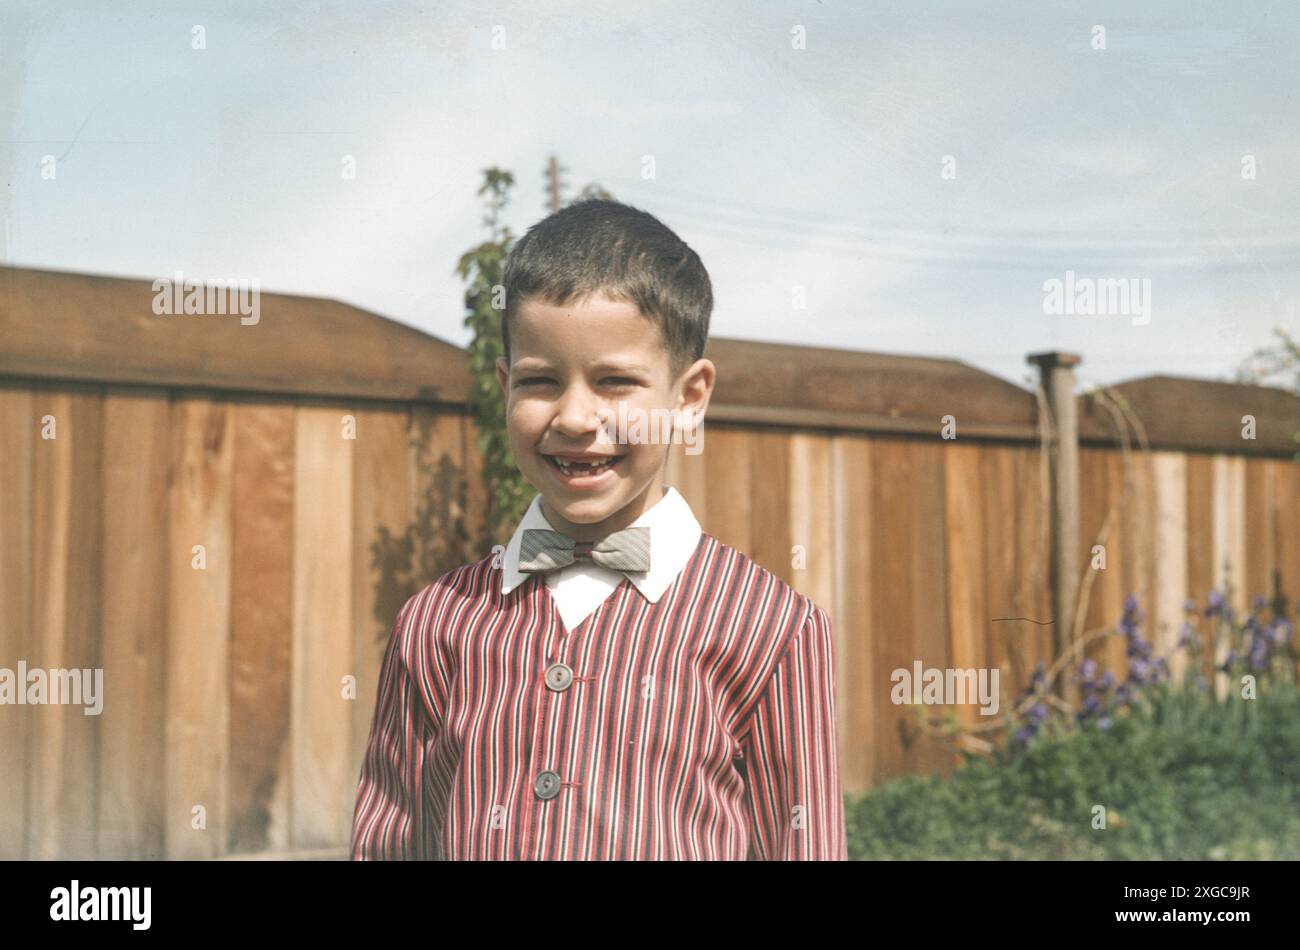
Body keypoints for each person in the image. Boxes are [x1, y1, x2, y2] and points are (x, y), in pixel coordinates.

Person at [350, 198, 846, 860]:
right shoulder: (435, 624)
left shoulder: (773, 629)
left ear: (688, 400)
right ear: (504, 389)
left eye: (615, 382)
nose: (577, 417)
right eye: (540, 381)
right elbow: (390, 843)